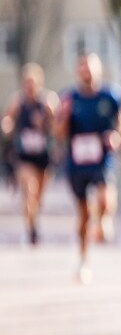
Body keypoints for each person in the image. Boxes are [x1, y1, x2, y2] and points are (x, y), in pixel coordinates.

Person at [55, 54, 121, 283]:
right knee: (83, 214)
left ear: (98, 70)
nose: (86, 72)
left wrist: (118, 135)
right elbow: (58, 133)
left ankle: (105, 219)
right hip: (77, 161)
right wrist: (64, 118)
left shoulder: (111, 94)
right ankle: (83, 260)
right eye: (82, 68)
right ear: (77, 72)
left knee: (104, 197)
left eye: (90, 68)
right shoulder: (68, 97)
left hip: (101, 157)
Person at [2, 63, 58, 246]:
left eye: (33, 83)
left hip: (43, 156)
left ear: (39, 83)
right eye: (26, 83)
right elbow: (8, 120)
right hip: (24, 156)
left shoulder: (48, 102)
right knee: (29, 191)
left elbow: (59, 126)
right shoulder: (18, 102)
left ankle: (33, 219)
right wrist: (8, 127)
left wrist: (45, 123)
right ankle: (31, 229)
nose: (30, 87)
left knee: (38, 197)